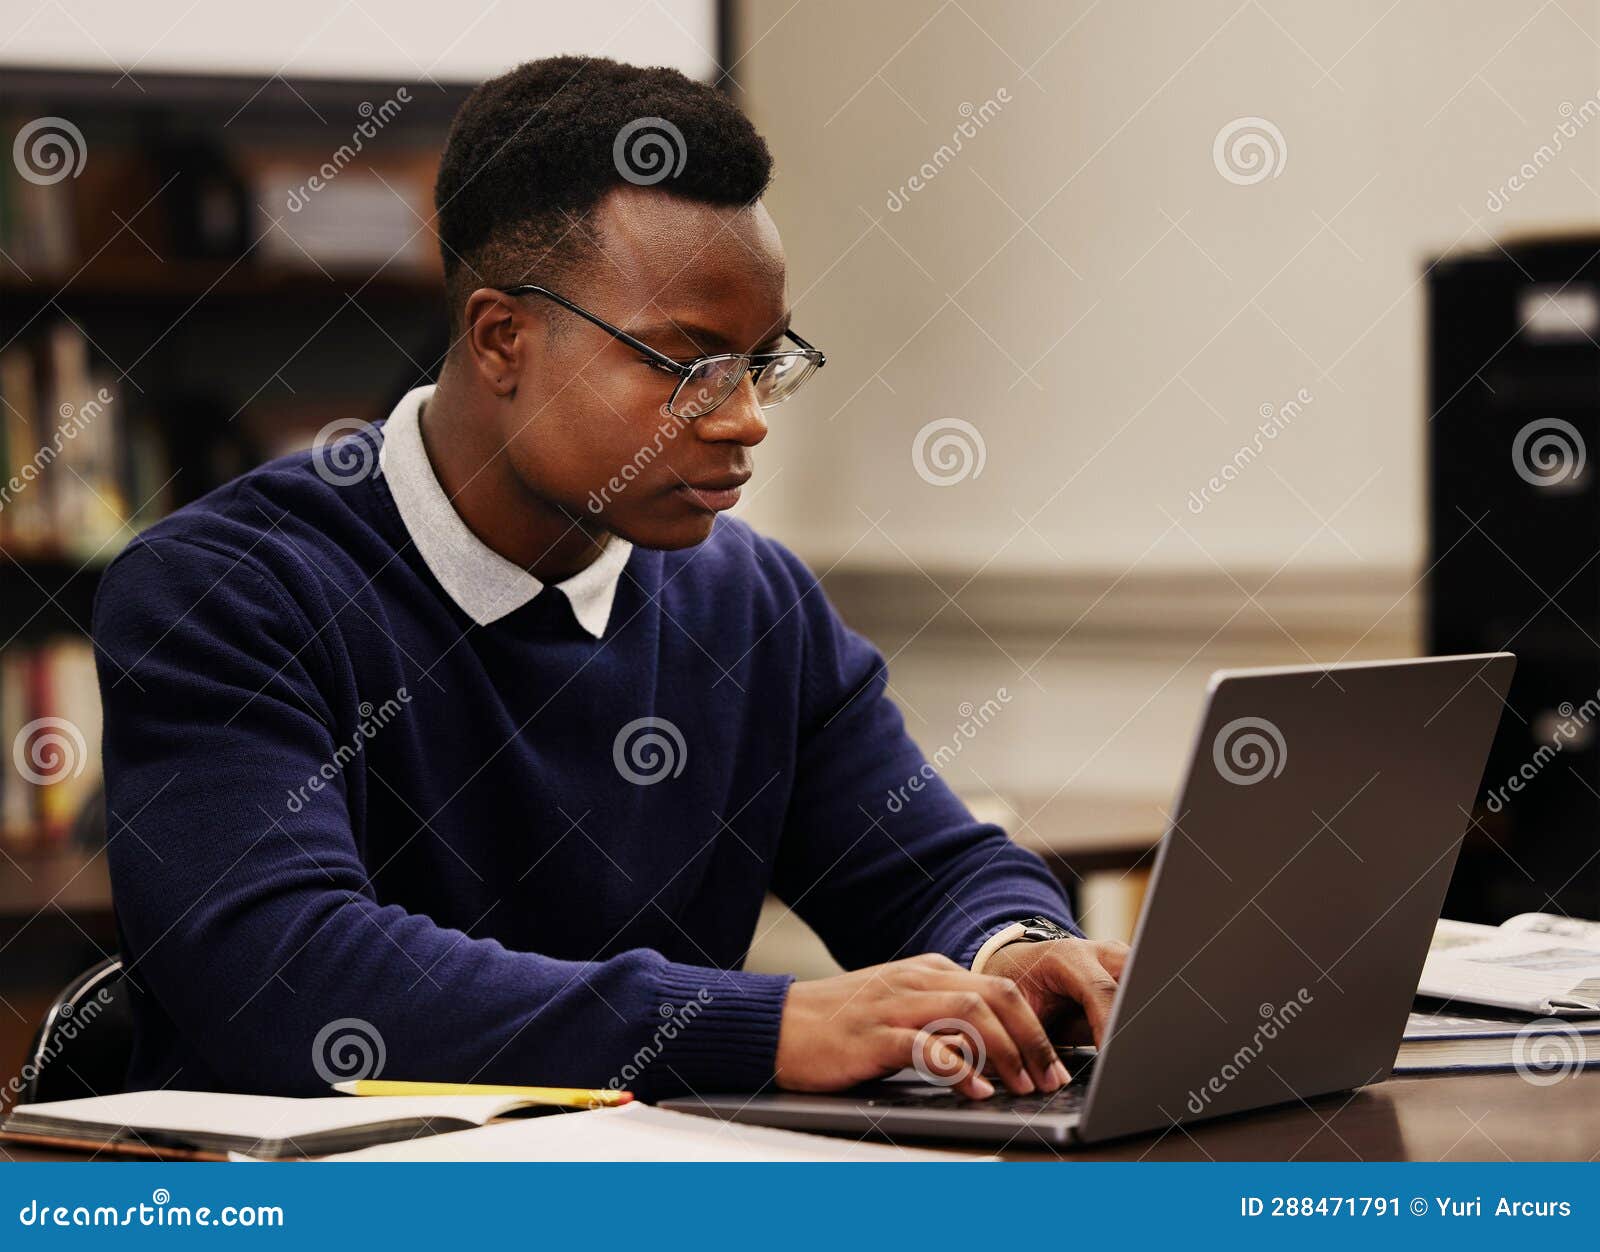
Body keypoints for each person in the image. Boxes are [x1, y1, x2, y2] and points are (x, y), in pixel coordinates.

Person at [93, 56, 1128, 1103]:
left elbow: (932, 866)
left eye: (762, 362)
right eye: (687, 364)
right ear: (503, 338)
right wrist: (760, 1025)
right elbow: (293, 977)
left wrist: (1011, 948)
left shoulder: (753, 604)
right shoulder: (223, 590)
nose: (743, 417)